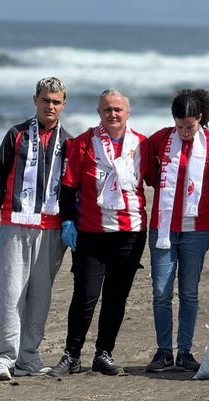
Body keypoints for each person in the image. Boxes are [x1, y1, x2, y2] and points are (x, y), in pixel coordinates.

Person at [47, 90, 150, 377]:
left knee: (117, 297)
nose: (113, 114)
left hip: (130, 234)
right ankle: (71, 354)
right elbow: (67, 188)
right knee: (85, 296)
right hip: (91, 233)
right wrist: (68, 222)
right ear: (99, 113)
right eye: (107, 110)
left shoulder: (141, 145)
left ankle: (104, 353)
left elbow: (158, 179)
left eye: (118, 109)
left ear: (127, 112)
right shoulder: (83, 143)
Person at [144, 89, 209, 373]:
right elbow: (145, 173)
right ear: (173, 120)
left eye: (190, 126)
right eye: (180, 126)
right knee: (161, 293)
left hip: (197, 230)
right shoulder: (159, 139)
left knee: (189, 292)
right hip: (162, 229)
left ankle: (184, 351)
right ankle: (163, 352)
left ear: (200, 119)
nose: (185, 132)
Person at [0, 77, 70, 381]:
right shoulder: (17, 135)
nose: (50, 106)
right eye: (45, 100)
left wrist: (71, 222)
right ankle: (1, 358)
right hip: (13, 225)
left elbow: (70, 188)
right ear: (35, 100)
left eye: (56, 101)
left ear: (63, 104)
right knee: (9, 294)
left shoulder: (68, 141)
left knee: (40, 297)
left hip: (51, 230)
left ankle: (28, 358)